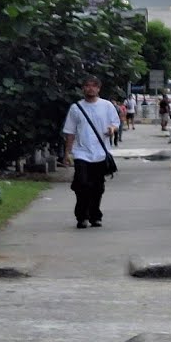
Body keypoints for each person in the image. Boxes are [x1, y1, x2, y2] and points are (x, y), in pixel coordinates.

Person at [61, 76, 120, 229]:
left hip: (101, 152)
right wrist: (67, 153)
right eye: (87, 85)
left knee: (98, 187)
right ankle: (81, 216)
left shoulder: (107, 106)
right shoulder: (76, 108)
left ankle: (95, 215)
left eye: (94, 86)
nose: (90, 88)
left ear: (99, 89)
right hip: (81, 153)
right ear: (83, 89)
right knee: (82, 185)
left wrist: (112, 130)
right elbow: (70, 132)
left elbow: (116, 123)